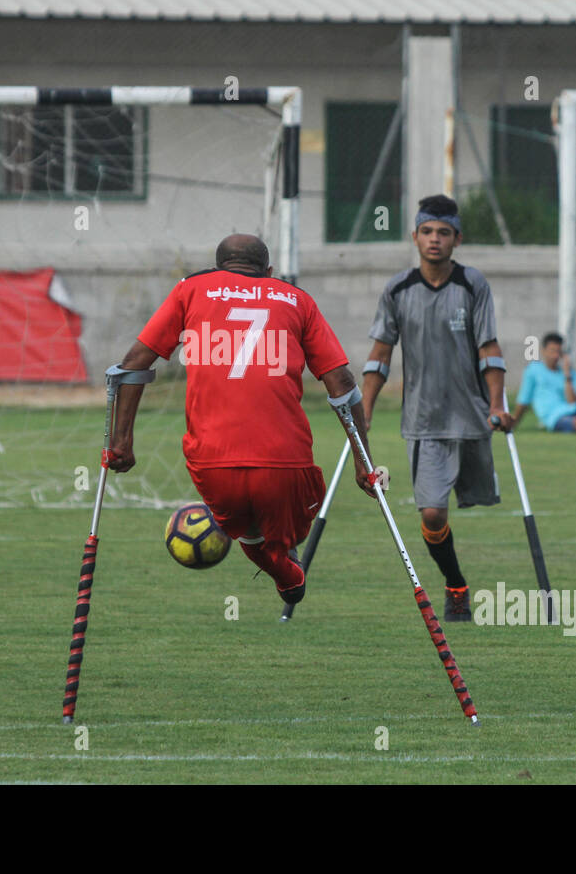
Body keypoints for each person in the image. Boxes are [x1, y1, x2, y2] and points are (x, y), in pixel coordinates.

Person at [106, 233, 376, 605]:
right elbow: (341, 383)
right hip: (286, 462)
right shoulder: (296, 299)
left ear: (219, 269)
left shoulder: (192, 289)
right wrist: (364, 463)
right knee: (284, 532)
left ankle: (281, 568)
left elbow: (134, 364)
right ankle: (285, 566)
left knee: (247, 526)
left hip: (212, 460)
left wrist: (120, 443)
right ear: (268, 271)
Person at [361, 194, 511, 622]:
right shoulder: (397, 289)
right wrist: (364, 410)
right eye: (427, 232)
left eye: (443, 233)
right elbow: (380, 353)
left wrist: (497, 404)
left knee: (477, 499)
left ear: (457, 238)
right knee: (430, 512)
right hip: (423, 422)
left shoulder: (473, 285)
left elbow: (489, 347)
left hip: (472, 418)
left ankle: (457, 584)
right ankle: (456, 585)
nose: (434, 240)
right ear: (414, 236)